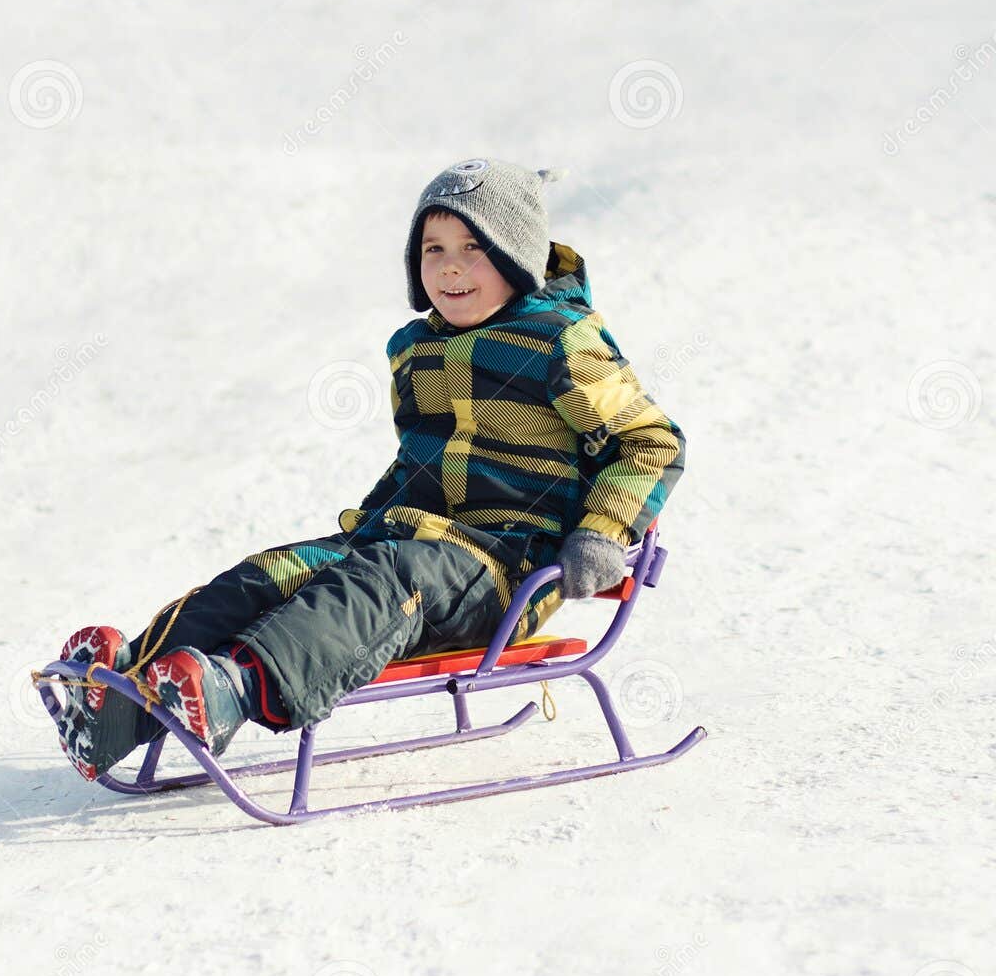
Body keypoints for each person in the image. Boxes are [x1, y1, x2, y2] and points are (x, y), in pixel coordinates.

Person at [43, 156, 687, 781]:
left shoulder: (561, 342)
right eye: (433, 249)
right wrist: (366, 526)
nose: (452, 267)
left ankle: (232, 689)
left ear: (517, 257)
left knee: (387, 576)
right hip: (414, 543)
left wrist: (602, 531)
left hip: (502, 574)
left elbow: (653, 441)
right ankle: (125, 697)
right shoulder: (418, 351)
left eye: (474, 248)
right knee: (275, 572)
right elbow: (422, 460)